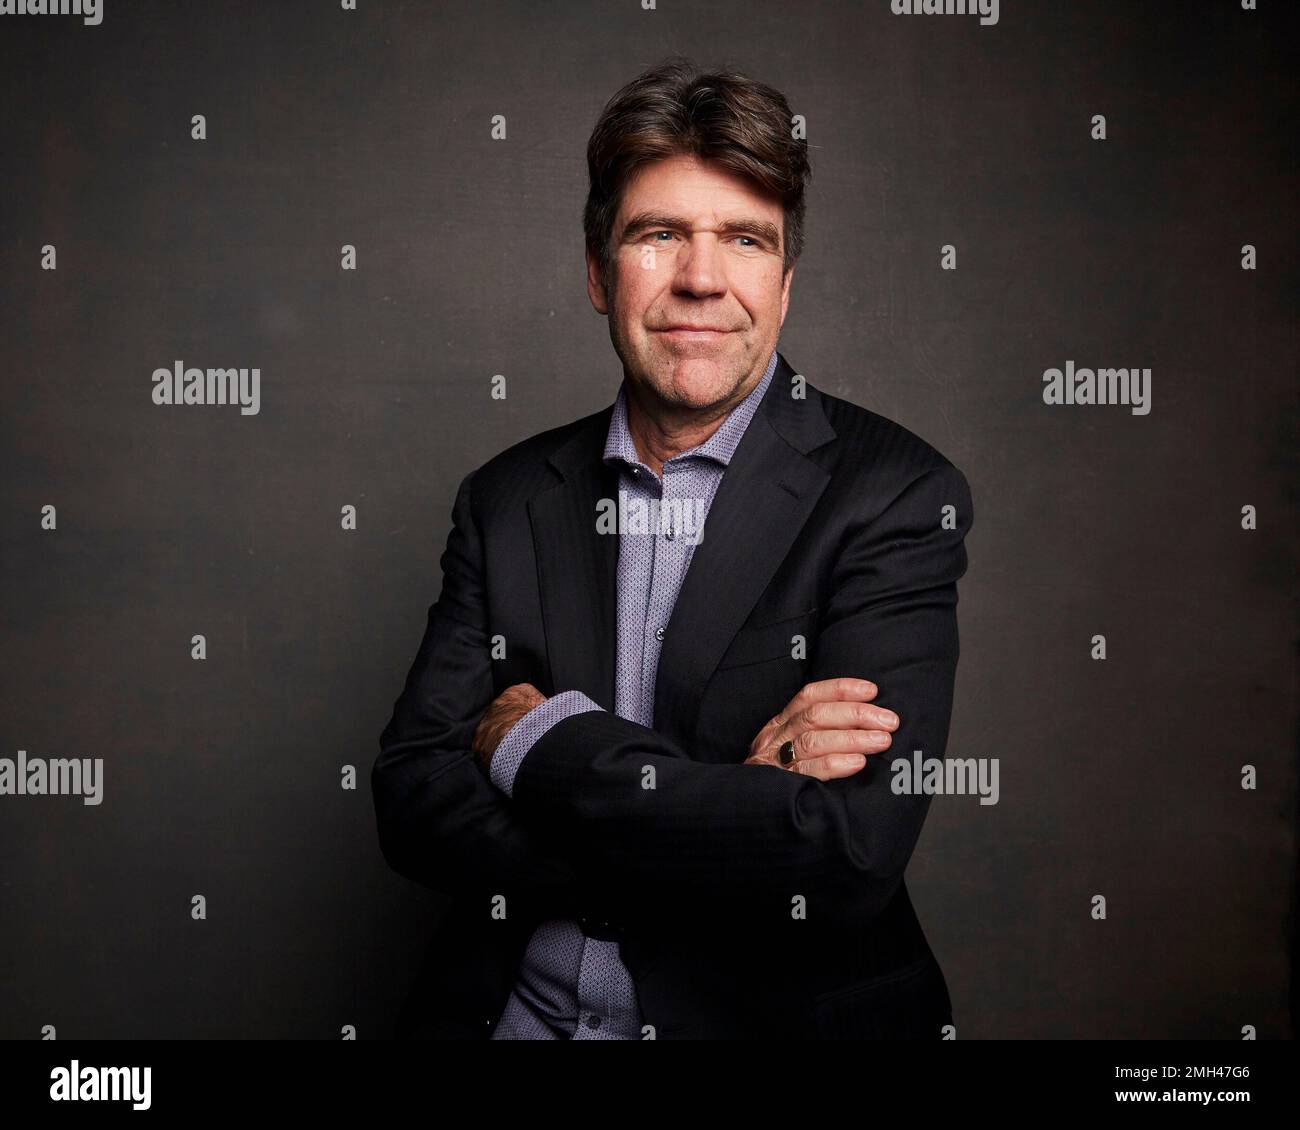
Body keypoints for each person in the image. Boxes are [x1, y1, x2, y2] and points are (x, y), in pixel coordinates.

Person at [373, 57, 973, 1040]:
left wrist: (535, 745)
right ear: (598, 271)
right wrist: (728, 804)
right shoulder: (508, 496)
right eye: (659, 234)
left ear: (783, 285)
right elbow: (411, 796)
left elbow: (843, 852)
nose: (701, 278)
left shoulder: (896, 494)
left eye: (743, 238)